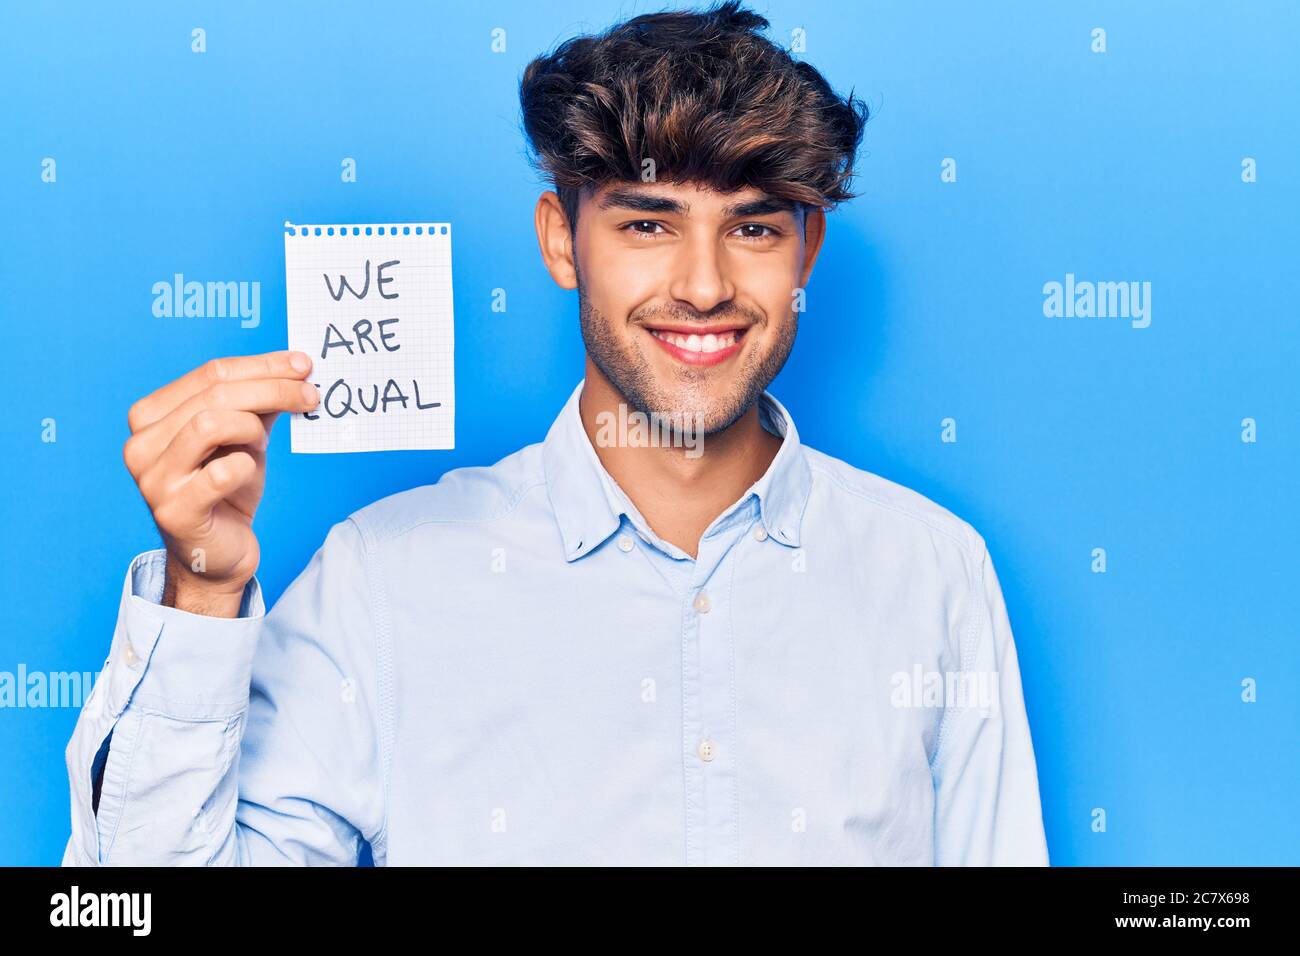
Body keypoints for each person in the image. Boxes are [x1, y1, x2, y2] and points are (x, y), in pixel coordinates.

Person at [63, 1, 1048, 866]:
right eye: (647, 224)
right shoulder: (384, 580)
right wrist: (200, 589)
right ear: (558, 240)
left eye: (751, 227)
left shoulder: (934, 573)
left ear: (805, 250)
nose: (703, 285)